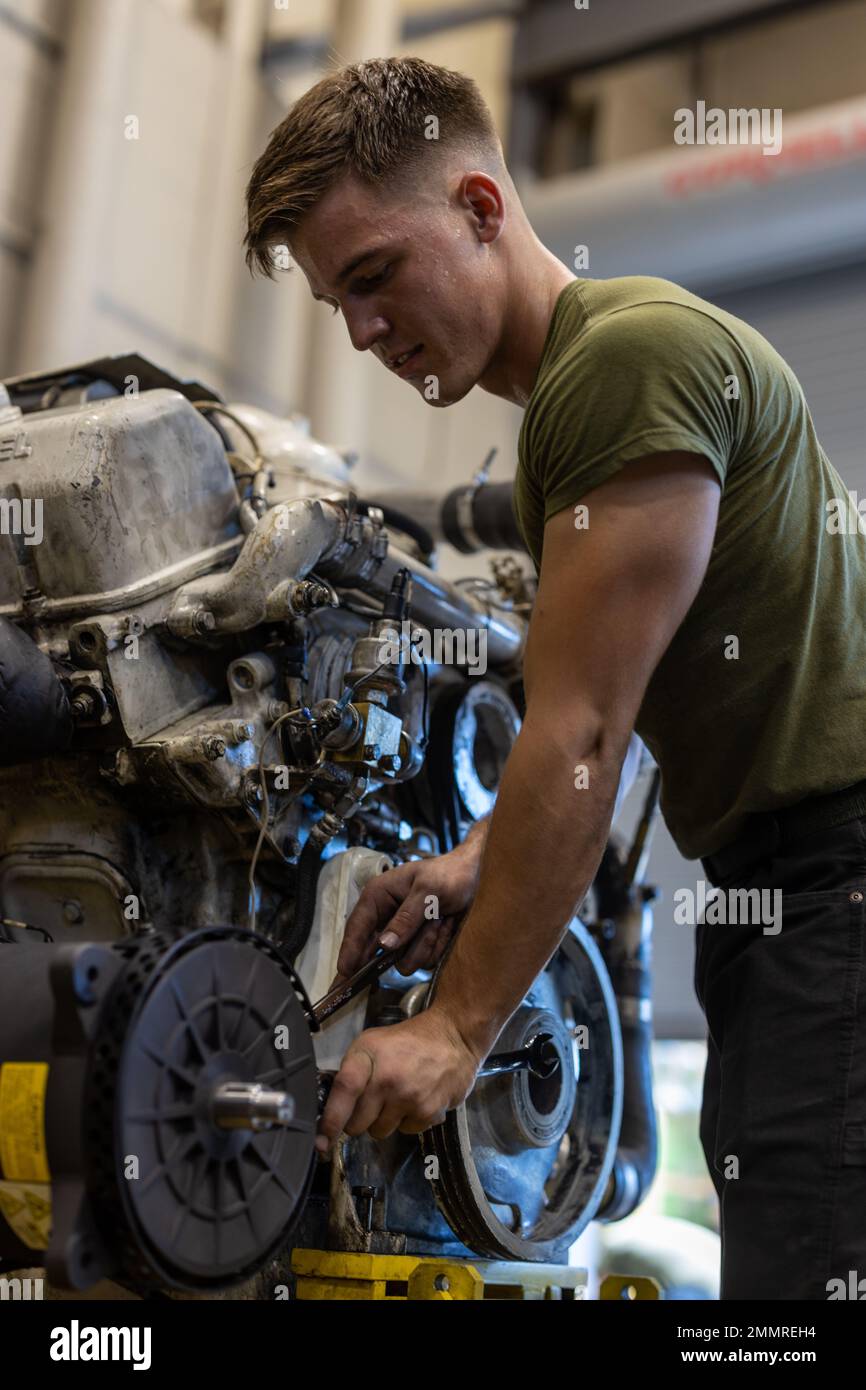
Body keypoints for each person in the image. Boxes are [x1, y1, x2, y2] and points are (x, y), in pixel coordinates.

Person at [244, 57, 866, 1299]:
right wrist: (484, 857)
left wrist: (457, 1028)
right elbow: (620, 704)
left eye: (372, 275)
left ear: (481, 207)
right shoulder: (591, 392)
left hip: (831, 895)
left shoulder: (623, 366)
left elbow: (577, 730)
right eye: (335, 304)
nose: (362, 330)